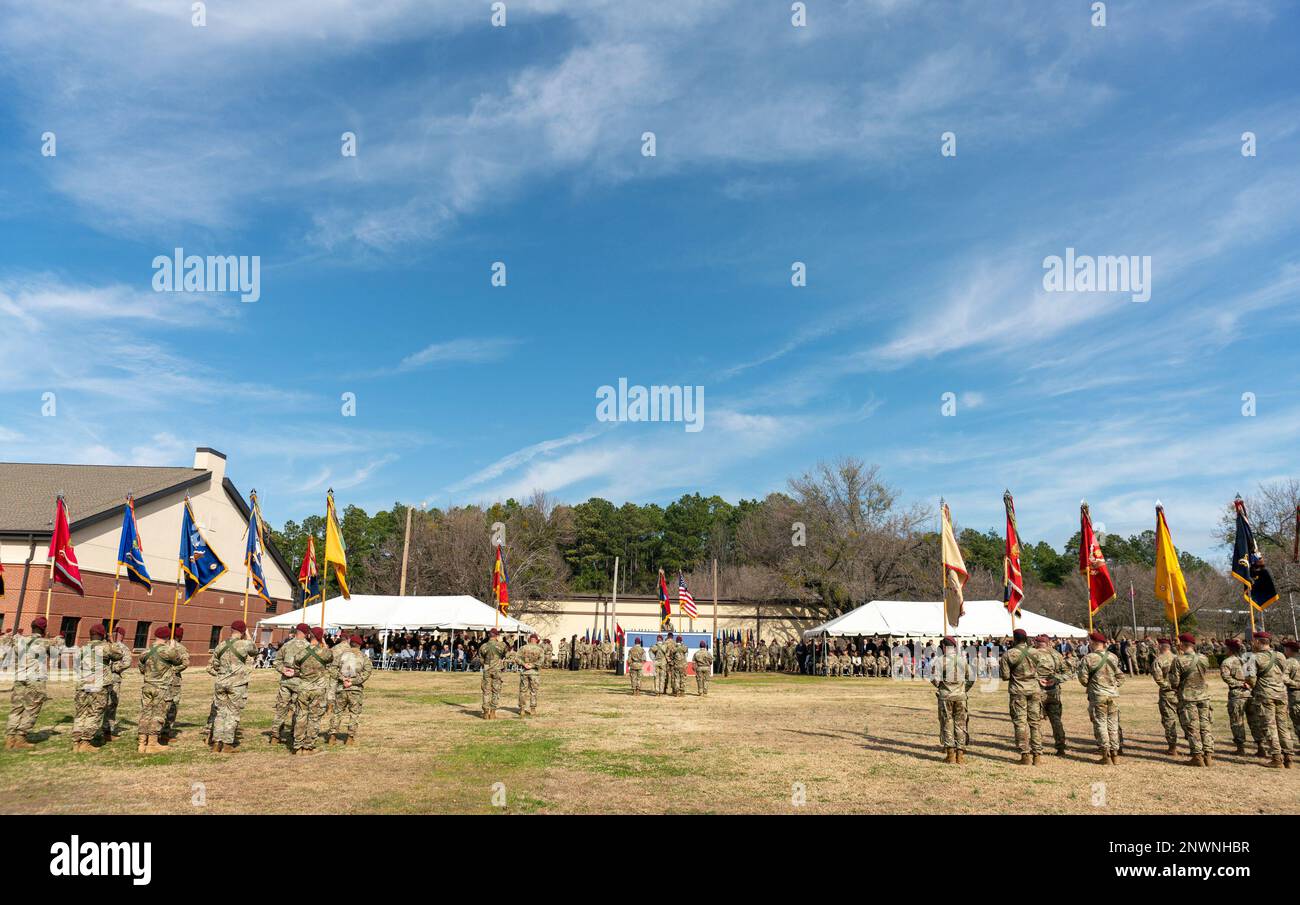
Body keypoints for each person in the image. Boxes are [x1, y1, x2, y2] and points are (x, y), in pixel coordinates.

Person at [207, 619, 257, 753]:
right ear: (242, 631)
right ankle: (227, 744)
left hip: (221, 683)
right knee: (232, 713)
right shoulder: (245, 644)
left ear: (231, 630)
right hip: (237, 684)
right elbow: (254, 651)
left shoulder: (221, 645)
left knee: (220, 713)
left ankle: (216, 743)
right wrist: (248, 636)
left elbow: (214, 665)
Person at [71, 624, 123, 752]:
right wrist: (112, 641)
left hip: (83, 684)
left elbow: (76, 666)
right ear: (103, 635)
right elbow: (119, 654)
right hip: (98, 684)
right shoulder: (105, 647)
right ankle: (86, 742)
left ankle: (76, 742)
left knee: (81, 713)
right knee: (94, 712)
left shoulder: (82, 649)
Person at [1249, 632, 1296, 768]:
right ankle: (1289, 757)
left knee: (1269, 725)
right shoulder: (1281, 655)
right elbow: (1283, 673)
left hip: (1265, 695)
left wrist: (1253, 684)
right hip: (1281, 694)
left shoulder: (1253, 658)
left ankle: (1276, 757)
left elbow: (1251, 679)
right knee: (1283, 725)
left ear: (1258, 642)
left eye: (1254, 641)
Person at [999, 628, 1044, 765]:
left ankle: (1025, 754)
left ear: (1015, 639)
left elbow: (1005, 676)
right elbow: (1041, 670)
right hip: (1034, 690)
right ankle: (1037, 755)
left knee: (1020, 722)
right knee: (1035, 723)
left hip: (1018, 691)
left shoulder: (1009, 654)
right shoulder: (1036, 653)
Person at [5, 617, 52, 750]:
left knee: (16, 708)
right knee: (32, 708)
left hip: (20, 678)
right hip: (35, 680)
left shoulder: (20, 641)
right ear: (43, 629)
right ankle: (20, 737)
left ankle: (10, 737)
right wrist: (48, 639)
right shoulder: (44, 642)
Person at [1078, 630, 1124, 765]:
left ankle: (1106, 754)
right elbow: (1120, 676)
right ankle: (1115, 754)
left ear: (1093, 643)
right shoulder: (1113, 657)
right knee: (1113, 724)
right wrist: (1114, 686)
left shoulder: (1088, 658)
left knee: (1100, 723)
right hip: (1113, 695)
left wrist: (1091, 685)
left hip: (1098, 695)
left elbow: (1082, 678)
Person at [1168, 632, 1213, 766]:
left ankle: (1197, 756)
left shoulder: (1178, 660)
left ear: (1182, 644)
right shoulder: (1204, 658)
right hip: (1204, 696)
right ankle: (1208, 755)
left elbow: (1174, 681)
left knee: (1192, 727)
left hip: (1188, 698)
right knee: (1205, 726)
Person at [138, 626, 184, 754]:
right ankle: (152, 743)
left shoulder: (145, 652)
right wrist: (173, 648)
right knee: (158, 715)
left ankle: (142, 743)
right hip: (162, 688)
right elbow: (178, 661)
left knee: (145, 713)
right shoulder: (168, 651)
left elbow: (141, 669)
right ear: (167, 637)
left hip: (147, 686)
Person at [291, 627, 334, 755]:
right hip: (318, 689)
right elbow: (331, 656)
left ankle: (297, 746)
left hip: (303, 688)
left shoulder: (301, 653)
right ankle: (308, 746)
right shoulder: (324, 653)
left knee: (301, 716)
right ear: (321, 637)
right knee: (314, 718)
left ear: (309, 636)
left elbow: (295, 667)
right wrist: (324, 643)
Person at [932, 637, 975, 764]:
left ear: (944, 647)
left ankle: (950, 754)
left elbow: (935, 680)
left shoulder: (940, 661)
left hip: (946, 697)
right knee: (960, 724)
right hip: (961, 696)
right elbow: (971, 678)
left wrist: (941, 687)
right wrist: (963, 689)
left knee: (947, 723)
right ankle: (960, 755)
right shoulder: (963, 660)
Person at [328, 635, 372, 744]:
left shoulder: (341, 655)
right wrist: (354, 681)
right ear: (360, 644)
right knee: (354, 713)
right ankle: (350, 737)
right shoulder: (363, 657)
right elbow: (367, 672)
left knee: (337, 712)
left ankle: (332, 736)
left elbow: (332, 668)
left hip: (341, 689)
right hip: (355, 690)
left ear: (350, 643)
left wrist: (342, 679)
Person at [1219, 638, 1260, 756]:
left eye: (1226, 648)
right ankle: (1260, 746)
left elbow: (1226, 677)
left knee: (1237, 721)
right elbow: (1253, 676)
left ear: (1229, 649)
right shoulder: (1246, 660)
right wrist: (1250, 685)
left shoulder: (1227, 662)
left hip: (1237, 695)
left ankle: (1240, 748)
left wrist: (1240, 684)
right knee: (1254, 721)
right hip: (1250, 694)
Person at [271, 624, 310, 745]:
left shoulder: (286, 645)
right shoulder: (308, 648)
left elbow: (276, 661)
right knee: (298, 710)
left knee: (281, 709)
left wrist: (283, 670)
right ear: (306, 633)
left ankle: (275, 736)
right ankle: (294, 734)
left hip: (285, 682)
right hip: (300, 682)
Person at [1032, 634, 1070, 755]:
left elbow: (1024, 672)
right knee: (1056, 720)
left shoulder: (1032, 654)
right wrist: (1056, 679)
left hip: (1037, 691)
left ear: (1036, 643)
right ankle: (1061, 747)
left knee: (1035, 720)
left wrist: (1038, 679)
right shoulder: (1056, 655)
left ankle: (1037, 747)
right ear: (1048, 643)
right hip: (1053, 690)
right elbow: (1067, 672)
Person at [1149, 637, 1181, 755]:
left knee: (1169, 720)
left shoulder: (1159, 660)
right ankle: (1195, 747)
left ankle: (1172, 747)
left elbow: (1158, 678)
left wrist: (1168, 686)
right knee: (1187, 720)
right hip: (1181, 693)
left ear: (1161, 646)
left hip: (1167, 694)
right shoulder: (1179, 658)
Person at [160, 625, 190, 743]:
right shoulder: (181, 648)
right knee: (172, 706)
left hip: (160, 679)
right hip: (173, 681)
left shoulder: (162, 646)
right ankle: (166, 733)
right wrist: (173, 670)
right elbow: (185, 663)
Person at [102, 624, 132, 741]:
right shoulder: (104, 645)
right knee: (102, 703)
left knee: (111, 704)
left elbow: (127, 662)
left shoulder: (122, 648)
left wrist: (116, 668)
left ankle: (107, 730)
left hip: (113, 677)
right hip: (102, 677)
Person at [478, 628, 508, 719]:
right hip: (497, 670)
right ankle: (493, 712)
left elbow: (481, 659)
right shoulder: (502, 645)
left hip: (487, 670)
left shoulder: (483, 646)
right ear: (497, 635)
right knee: (496, 691)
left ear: (488, 635)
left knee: (486, 691)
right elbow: (505, 654)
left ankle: (486, 712)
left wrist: (487, 665)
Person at [514, 633, 544, 716]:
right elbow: (541, 661)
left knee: (523, 691)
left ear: (529, 639)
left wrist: (524, 664)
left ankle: (522, 709)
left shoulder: (523, 648)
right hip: (534, 672)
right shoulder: (539, 649)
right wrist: (533, 665)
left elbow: (517, 658)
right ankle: (533, 709)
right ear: (536, 640)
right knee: (533, 691)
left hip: (525, 672)